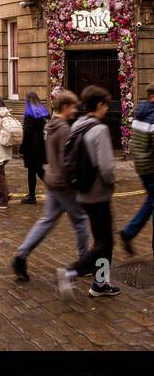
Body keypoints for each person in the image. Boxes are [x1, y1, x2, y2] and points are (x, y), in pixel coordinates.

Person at [11, 91, 89, 281]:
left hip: (52, 178)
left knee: (46, 221)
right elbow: (67, 159)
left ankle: (21, 256)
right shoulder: (61, 128)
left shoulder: (52, 124)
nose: (75, 110)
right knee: (81, 220)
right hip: (63, 183)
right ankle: (85, 262)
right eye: (73, 106)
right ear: (64, 107)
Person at [57, 86, 121, 298]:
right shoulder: (99, 130)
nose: (107, 108)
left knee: (100, 239)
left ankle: (100, 283)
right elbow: (106, 167)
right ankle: (71, 272)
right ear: (100, 104)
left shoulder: (78, 125)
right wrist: (113, 182)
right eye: (106, 104)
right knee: (105, 243)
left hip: (82, 191)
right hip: (98, 193)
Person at [121, 85, 154, 256]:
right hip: (151, 167)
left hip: (142, 167)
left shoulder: (140, 113)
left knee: (151, 201)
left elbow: (133, 142)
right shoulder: (153, 116)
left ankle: (129, 232)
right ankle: (129, 232)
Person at [21, 91, 49, 204]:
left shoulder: (29, 114)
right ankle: (31, 195)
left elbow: (27, 133)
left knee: (36, 171)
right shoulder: (44, 112)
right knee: (36, 170)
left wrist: (22, 148)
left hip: (32, 148)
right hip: (42, 146)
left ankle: (32, 196)